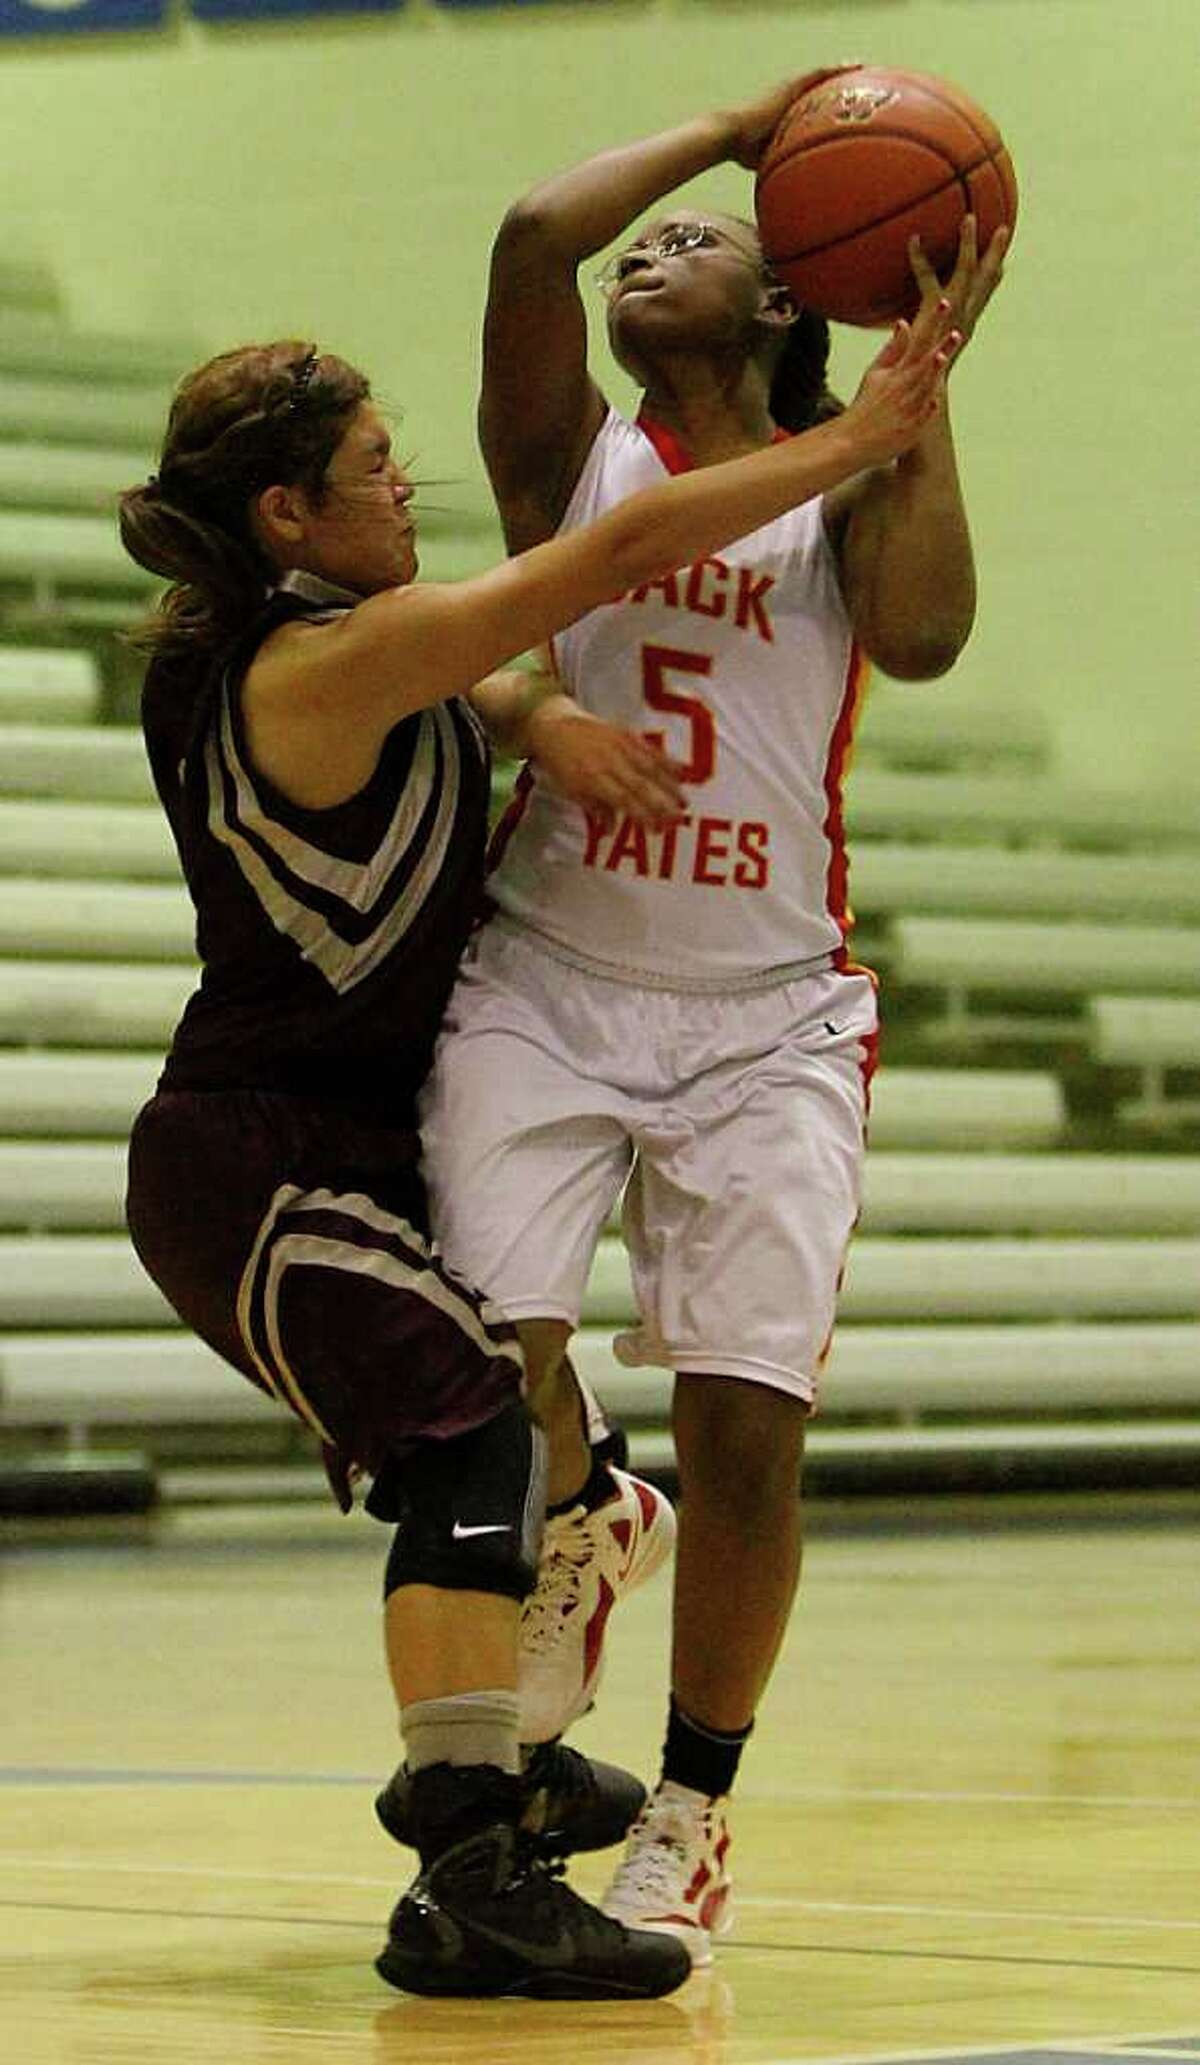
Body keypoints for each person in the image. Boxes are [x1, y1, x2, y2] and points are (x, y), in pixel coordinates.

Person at [116, 317, 955, 1997]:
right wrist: (864, 433)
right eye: (369, 466)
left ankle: (538, 1673)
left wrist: (535, 717)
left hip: (345, 1140)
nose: (404, 482)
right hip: (254, 1159)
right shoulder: (317, 658)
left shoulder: (348, 636)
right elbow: (619, 552)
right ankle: (476, 1852)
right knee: (468, 1439)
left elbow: (475, 667)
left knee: (490, 1424)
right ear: (287, 517)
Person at [418, 69, 1005, 1968]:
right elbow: (532, 234)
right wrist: (739, 131)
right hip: (549, 973)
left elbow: (922, 640)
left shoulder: (841, 489)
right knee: (483, 1374)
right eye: (646, 242)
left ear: (786, 308)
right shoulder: (566, 458)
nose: (648, 249)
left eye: (704, 248)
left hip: (765, 1009)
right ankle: (590, 1507)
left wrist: (920, 400)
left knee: (753, 1433)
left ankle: (689, 1802)